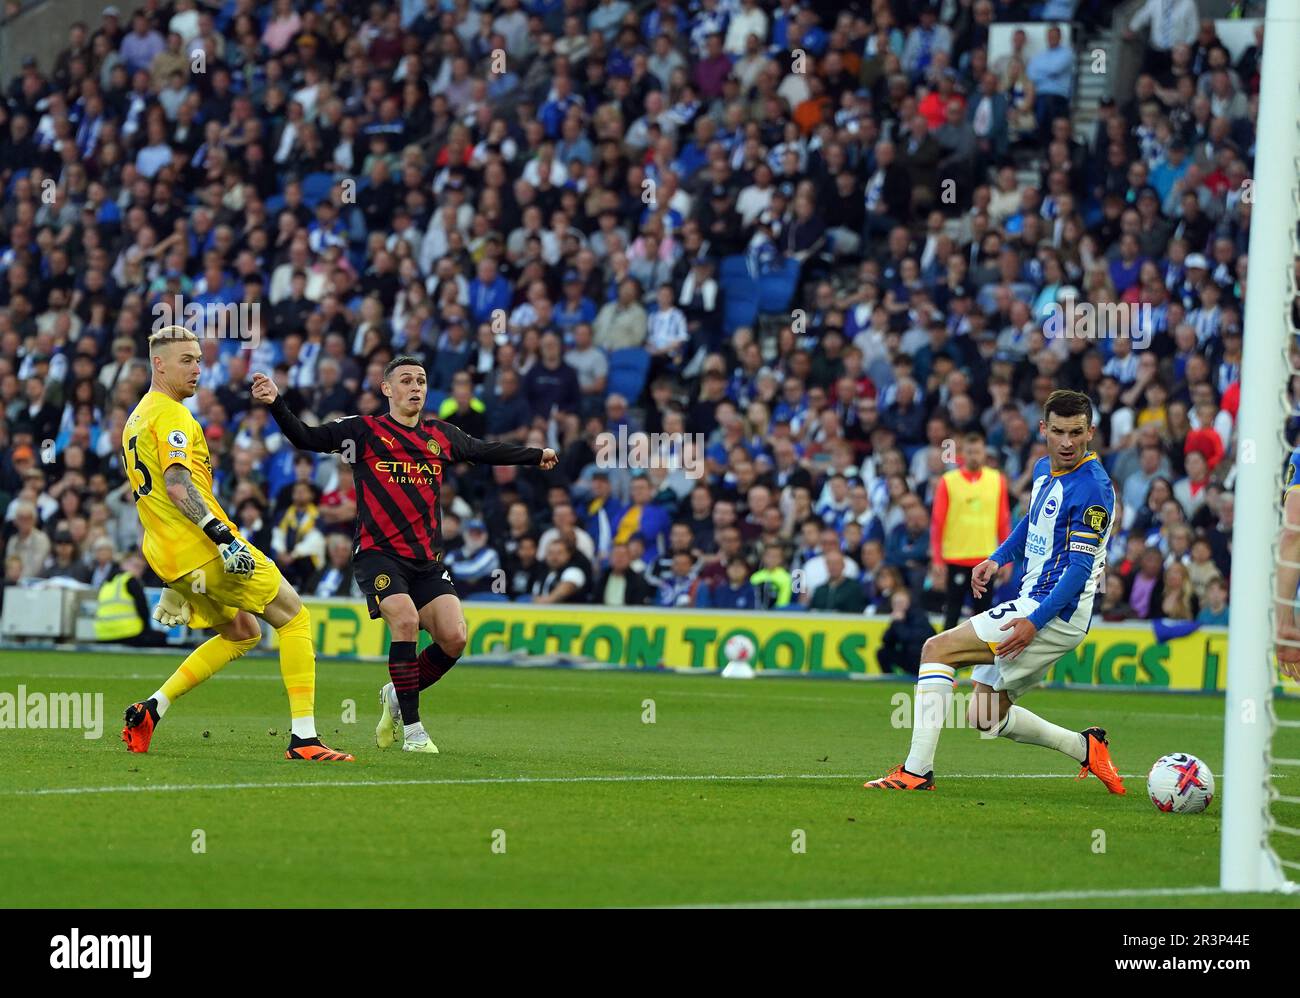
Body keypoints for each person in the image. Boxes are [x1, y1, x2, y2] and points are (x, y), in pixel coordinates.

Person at [252, 356, 558, 754]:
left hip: (426, 560)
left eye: (422, 381)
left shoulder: (441, 435)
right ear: (387, 389)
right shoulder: (363, 431)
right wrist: (277, 401)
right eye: (407, 380)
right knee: (407, 620)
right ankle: (413, 730)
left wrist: (535, 455)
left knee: (454, 637)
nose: (416, 387)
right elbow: (306, 438)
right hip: (379, 555)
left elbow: (484, 451)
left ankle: (396, 695)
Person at [865, 390, 1126, 794]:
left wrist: (1033, 623)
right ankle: (1085, 747)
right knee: (985, 715)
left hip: (1052, 612)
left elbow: (1078, 571)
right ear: (1044, 430)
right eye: (1058, 431)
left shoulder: (1093, 489)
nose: (1067, 442)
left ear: (1091, 431)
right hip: (1033, 603)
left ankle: (916, 772)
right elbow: (1030, 522)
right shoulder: (1044, 469)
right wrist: (998, 557)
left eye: (1077, 432)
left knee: (936, 649)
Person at [120, 327, 352, 761]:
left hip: (171, 557)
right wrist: (222, 536)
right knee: (294, 618)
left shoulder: (135, 419)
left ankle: (152, 708)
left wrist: (175, 580)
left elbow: (153, 500)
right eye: (186, 360)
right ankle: (304, 738)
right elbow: (174, 485)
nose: (196, 368)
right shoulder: (171, 414)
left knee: (243, 632)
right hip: (208, 549)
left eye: (199, 359)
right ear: (159, 364)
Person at [929, 431, 1010, 629]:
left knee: (983, 616)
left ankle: (982, 660)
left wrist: (1006, 560)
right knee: (952, 614)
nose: (974, 456)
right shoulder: (948, 481)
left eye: (978, 451)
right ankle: (947, 659)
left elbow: (1003, 522)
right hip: (955, 557)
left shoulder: (997, 480)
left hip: (985, 559)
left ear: (984, 453)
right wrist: (937, 559)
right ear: (963, 453)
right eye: (970, 451)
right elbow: (937, 522)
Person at [94, 550, 166, 646]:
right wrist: (147, 631)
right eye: (136, 566)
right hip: (129, 634)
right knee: (161, 637)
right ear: (124, 564)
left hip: (103, 635)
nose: (139, 571)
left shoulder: (106, 583)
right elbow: (143, 609)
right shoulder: (130, 580)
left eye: (141, 568)